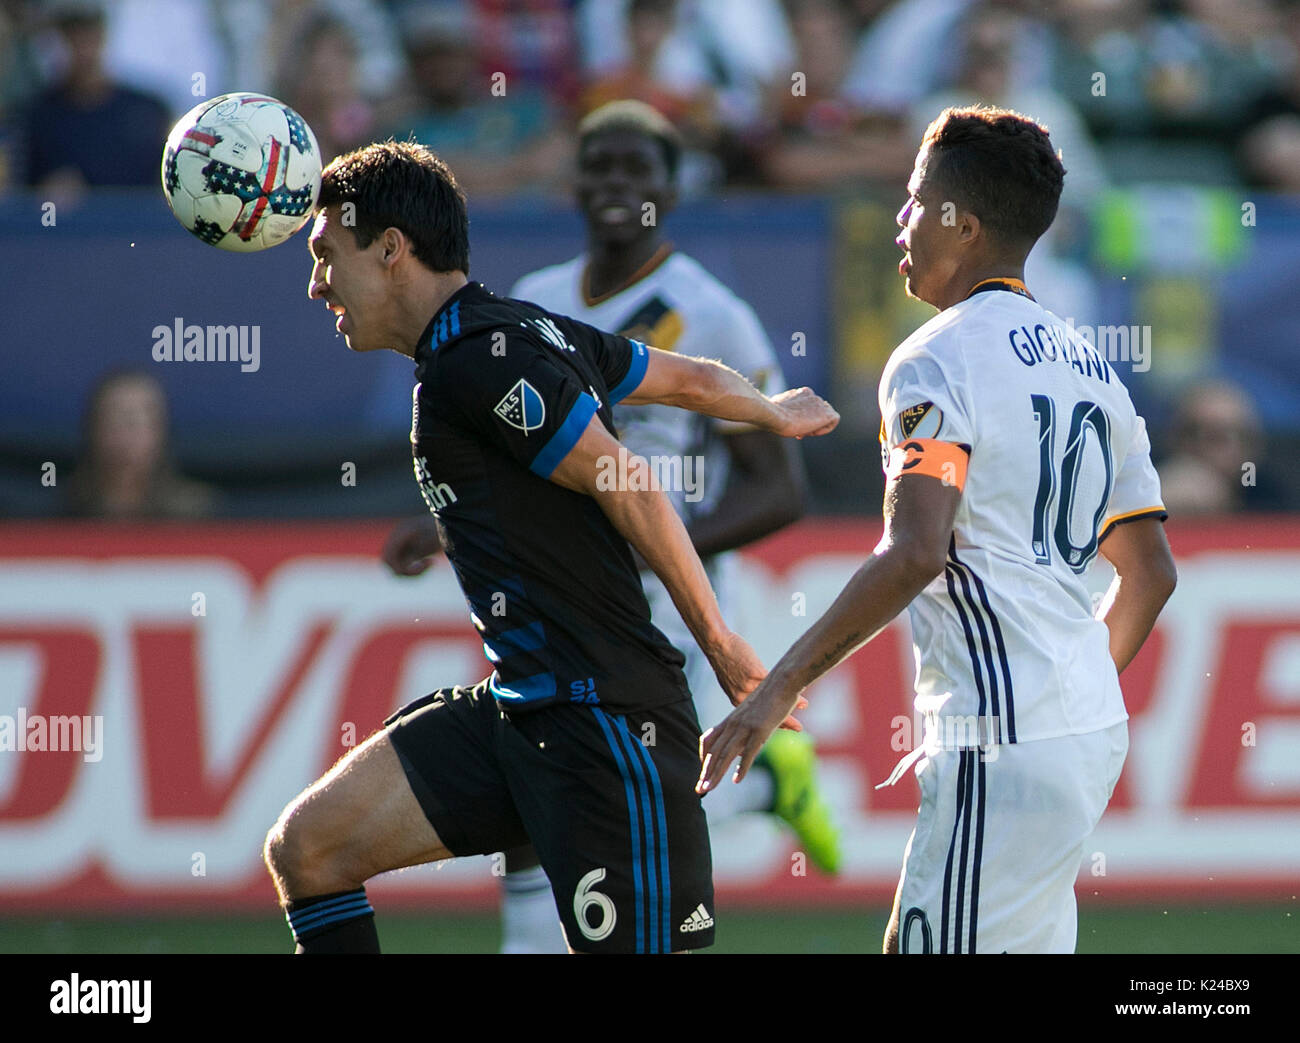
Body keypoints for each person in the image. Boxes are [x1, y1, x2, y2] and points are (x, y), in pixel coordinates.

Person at [263, 139, 839, 954]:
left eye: (326, 254)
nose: (316, 281)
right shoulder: (519, 329)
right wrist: (771, 410)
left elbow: (628, 480)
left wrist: (718, 642)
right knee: (309, 847)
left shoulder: (476, 362)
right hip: (523, 709)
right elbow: (689, 381)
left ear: (391, 249)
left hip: (608, 727)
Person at [697, 105, 1178, 954]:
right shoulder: (1098, 373)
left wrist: (775, 690)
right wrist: (1066, 695)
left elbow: (915, 550)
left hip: (1001, 737)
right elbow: (1150, 574)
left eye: (915, 200)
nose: (901, 220)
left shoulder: (935, 357)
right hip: (1084, 731)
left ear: (963, 222)